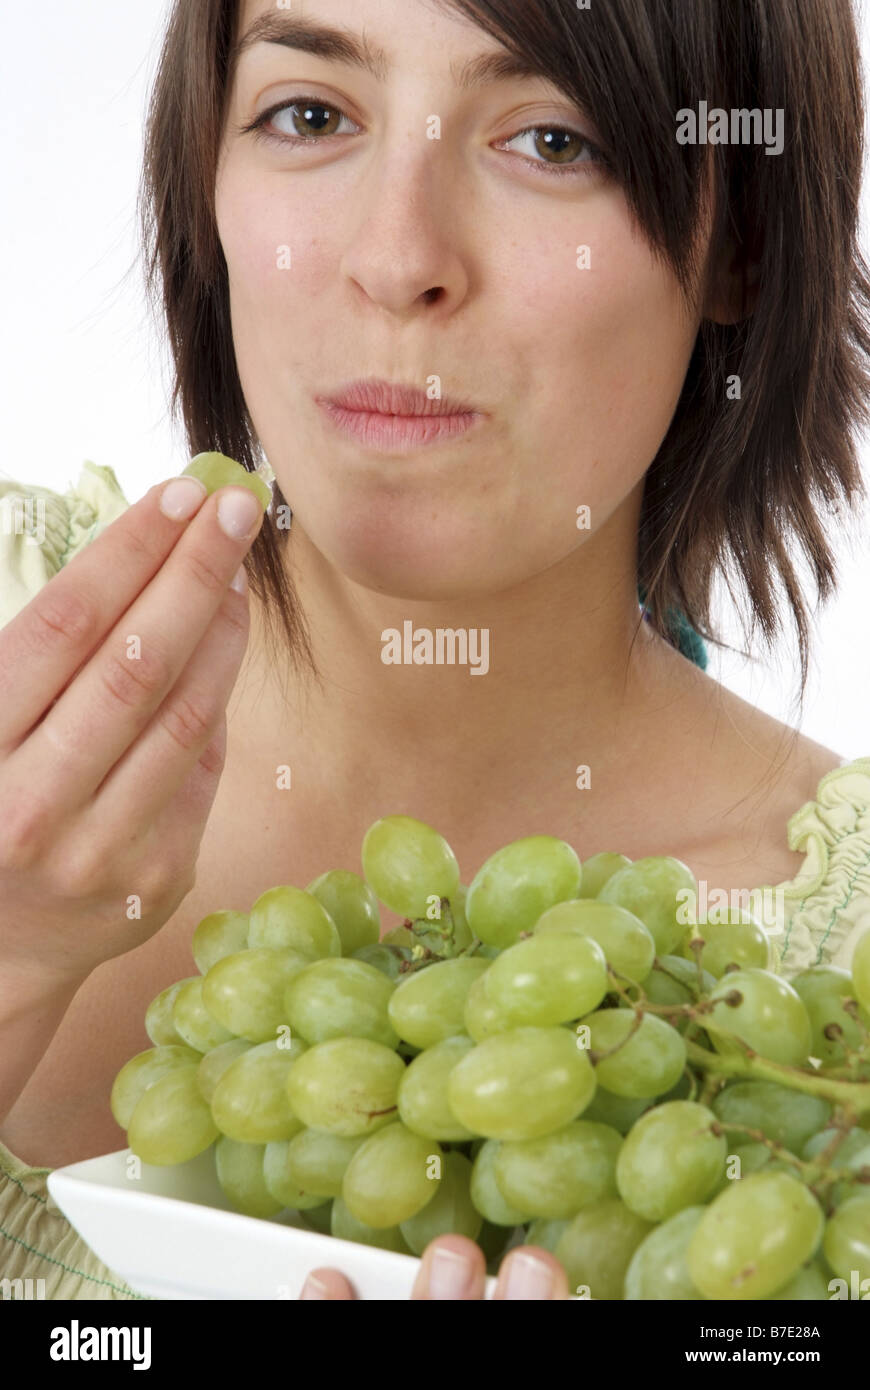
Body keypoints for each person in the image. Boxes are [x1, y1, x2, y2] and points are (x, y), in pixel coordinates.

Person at [2, 0, 870, 1302]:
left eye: (551, 140)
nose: (396, 256)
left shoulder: (825, 1025)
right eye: (309, 115)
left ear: (736, 238)